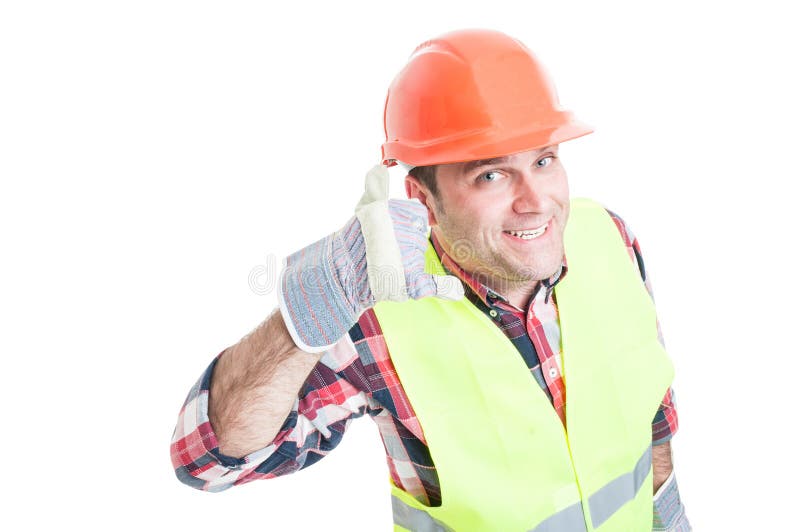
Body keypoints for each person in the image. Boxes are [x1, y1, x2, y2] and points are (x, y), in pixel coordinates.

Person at [170, 28, 691, 531]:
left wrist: (668, 518)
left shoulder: (606, 236)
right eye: (491, 174)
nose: (536, 201)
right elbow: (209, 460)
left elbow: (651, 412)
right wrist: (314, 303)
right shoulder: (377, 318)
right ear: (423, 200)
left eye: (544, 160)